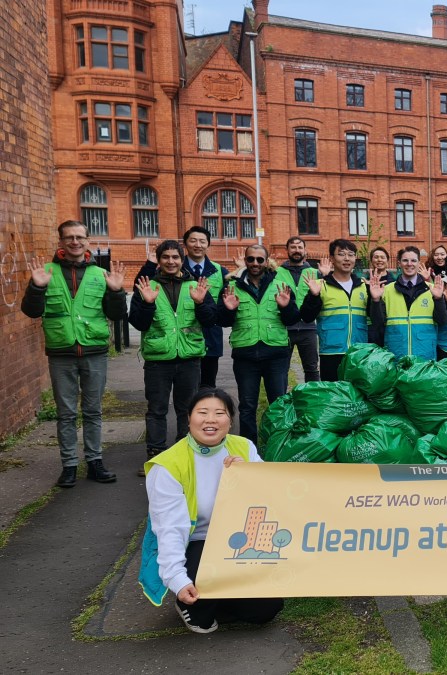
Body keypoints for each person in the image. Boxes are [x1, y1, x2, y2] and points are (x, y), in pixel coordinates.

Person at [138, 388, 284, 633]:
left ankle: (222, 596)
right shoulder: (168, 466)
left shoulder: (244, 447)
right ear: (188, 418)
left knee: (265, 610)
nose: (211, 420)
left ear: (230, 421)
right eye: (202, 412)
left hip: (238, 540)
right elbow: (169, 529)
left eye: (220, 413)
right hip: (194, 543)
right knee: (201, 619)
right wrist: (178, 579)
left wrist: (249, 475)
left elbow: (269, 500)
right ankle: (198, 598)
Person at [22, 221, 128, 487]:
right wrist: (37, 287)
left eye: (80, 237)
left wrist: (116, 292)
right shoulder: (45, 272)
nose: (75, 242)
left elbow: (116, 315)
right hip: (61, 352)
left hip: (94, 351)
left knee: (93, 410)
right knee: (66, 412)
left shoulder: (100, 274)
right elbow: (32, 311)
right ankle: (69, 465)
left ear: (88, 241)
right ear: (61, 242)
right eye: (69, 237)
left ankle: (95, 462)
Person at [129, 240, 219, 476]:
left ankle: (184, 454)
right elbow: (137, 322)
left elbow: (210, 320)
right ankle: (156, 456)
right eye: (166, 257)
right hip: (158, 359)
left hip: (189, 358)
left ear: (182, 259)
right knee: (157, 409)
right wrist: (148, 304)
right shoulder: (147, 285)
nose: (171, 261)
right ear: (159, 260)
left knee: (187, 409)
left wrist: (200, 303)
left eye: (175, 257)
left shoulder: (196, 285)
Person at [216, 244, 299, 445]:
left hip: (276, 354)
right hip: (245, 355)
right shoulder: (232, 286)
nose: (255, 263)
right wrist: (228, 309)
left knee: (278, 404)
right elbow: (222, 320)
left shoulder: (280, 283)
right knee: (247, 406)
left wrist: (286, 307)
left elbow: (293, 319)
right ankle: (249, 449)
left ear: (266, 261)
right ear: (245, 261)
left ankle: (277, 446)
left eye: (259, 259)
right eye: (251, 259)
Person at [299, 240, 372, 380]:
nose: (346, 259)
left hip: (359, 352)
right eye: (341, 254)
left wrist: (375, 299)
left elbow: (374, 317)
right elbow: (307, 317)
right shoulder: (321, 285)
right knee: (334, 396)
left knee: (358, 397)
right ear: (332, 258)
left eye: (351, 255)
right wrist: (314, 296)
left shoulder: (364, 286)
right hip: (331, 352)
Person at [372, 246, 447, 361]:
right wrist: (376, 300)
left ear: (418, 263)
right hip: (396, 354)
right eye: (405, 260)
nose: (409, 264)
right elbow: (378, 323)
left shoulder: (432, 289)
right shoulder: (386, 290)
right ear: (399, 263)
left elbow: (442, 321)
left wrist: (438, 299)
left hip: (424, 355)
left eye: (413, 260)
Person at [181, 226, 229, 386]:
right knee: (186, 388)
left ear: (208, 245)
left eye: (202, 241)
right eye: (193, 240)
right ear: (185, 244)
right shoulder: (176, 268)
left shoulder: (219, 271)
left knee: (208, 386)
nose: (198, 245)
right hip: (183, 336)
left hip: (210, 336)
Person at [278, 236, 322, 383]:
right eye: (293, 247)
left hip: (308, 328)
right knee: (281, 369)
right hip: (284, 328)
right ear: (287, 250)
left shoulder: (315, 273)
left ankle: (313, 400)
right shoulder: (277, 273)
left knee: (311, 368)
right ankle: (281, 401)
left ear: (305, 251)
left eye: (299, 247)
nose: (296, 250)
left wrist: (325, 275)